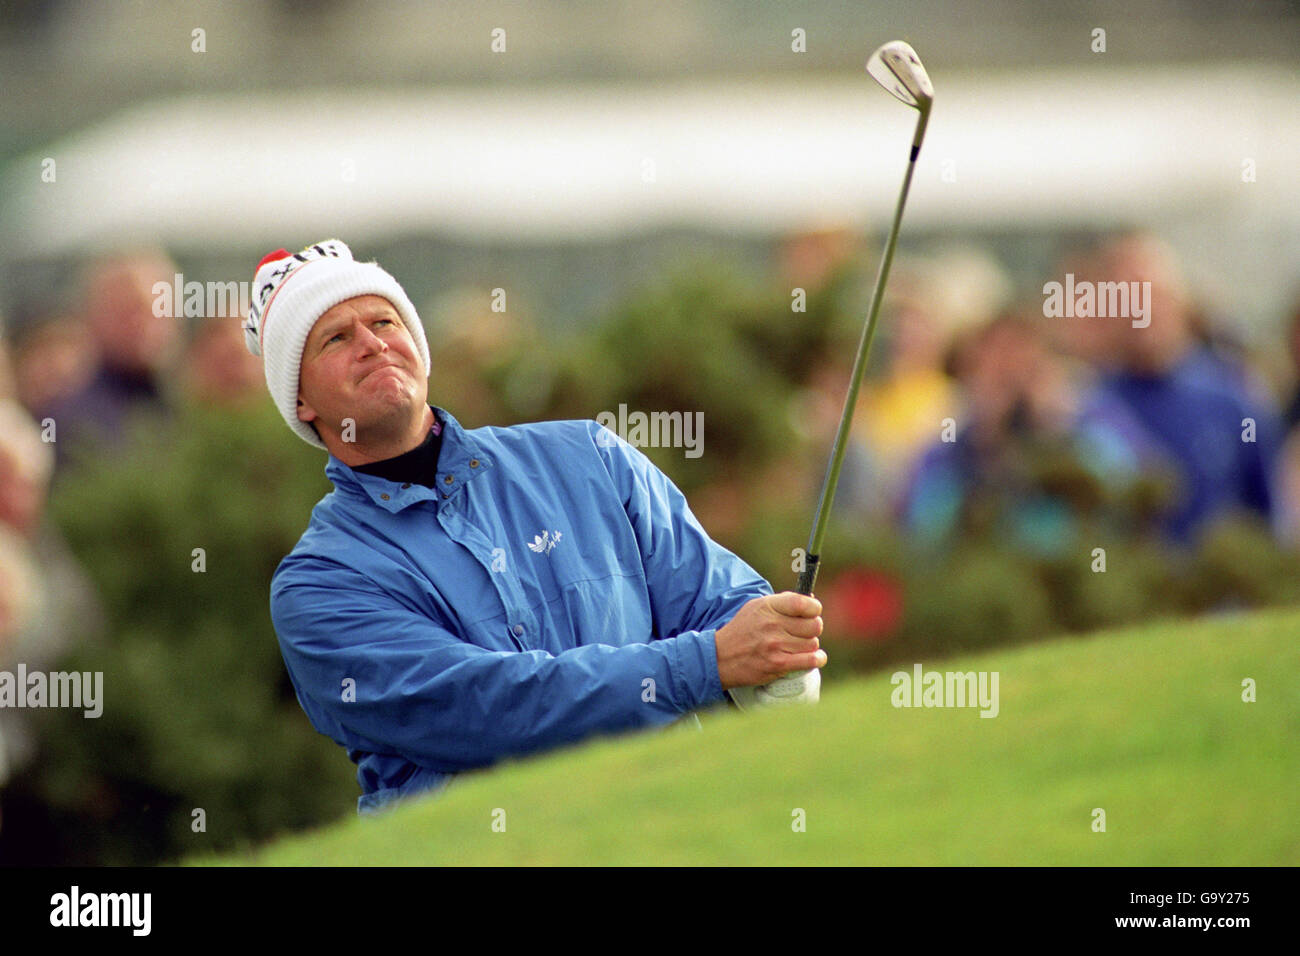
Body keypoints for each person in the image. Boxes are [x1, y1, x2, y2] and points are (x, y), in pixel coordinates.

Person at [245, 240, 827, 814]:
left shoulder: (590, 455)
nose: (373, 344)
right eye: (336, 339)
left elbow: (719, 603)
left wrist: (773, 659)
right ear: (300, 399)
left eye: (384, 321)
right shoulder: (319, 585)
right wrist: (709, 662)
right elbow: (492, 709)